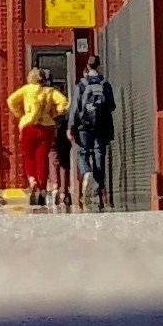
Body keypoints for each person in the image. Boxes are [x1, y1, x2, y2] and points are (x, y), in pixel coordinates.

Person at [5, 61, 65, 205]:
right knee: (42, 158)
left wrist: (21, 114)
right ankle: (43, 188)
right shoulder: (50, 92)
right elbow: (63, 102)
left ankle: (32, 181)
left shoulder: (26, 90)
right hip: (46, 128)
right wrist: (54, 113)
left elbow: (11, 100)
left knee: (29, 156)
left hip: (28, 127)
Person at [69, 54, 115, 211]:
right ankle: (97, 188)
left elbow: (75, 107)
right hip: (101, 125)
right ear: (99, 65)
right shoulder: (105, 83)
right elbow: (111, 105)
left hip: (84, 126)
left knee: (83, 153)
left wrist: (71, 126)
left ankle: (86, 172)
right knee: (99, 154)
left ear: (87, 67)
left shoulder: (82, 84)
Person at [48, 84, 74, 212]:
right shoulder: (64, 110)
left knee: (53, 158)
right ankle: (64, 191)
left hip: (51, 132)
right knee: (65, 163)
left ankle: (55, 187)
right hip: (63, 134)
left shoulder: (48, 109)